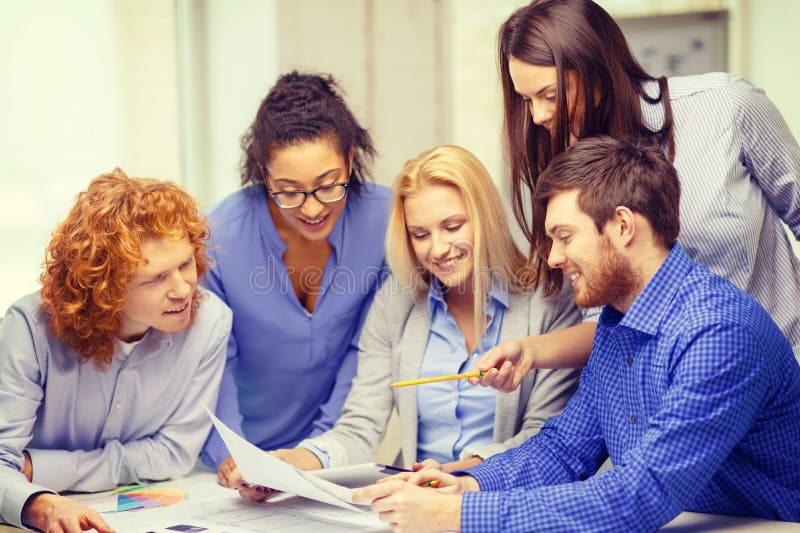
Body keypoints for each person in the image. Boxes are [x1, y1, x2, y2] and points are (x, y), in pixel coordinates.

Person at [354, 137, 800, 531]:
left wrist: (455, 516)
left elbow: (637, 497)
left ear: (622, 226)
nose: (553, 258)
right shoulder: (616, 321)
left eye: (564, 237)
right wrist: (466, 486)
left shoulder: (720, 332)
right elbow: (564, 448)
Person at [472, 0, 800, 390]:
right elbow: (606, 325)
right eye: (527, 100)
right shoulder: (570, 171)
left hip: (781, 380)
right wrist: (531, 350)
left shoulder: (727, 106)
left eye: (551, 95)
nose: (538, 116)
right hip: (670, 393)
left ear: (596, 68)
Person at [230, 145, 581, 501]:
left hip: (501, 502)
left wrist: (451, 476)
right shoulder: (395, 303)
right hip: (413, 503)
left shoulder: (548, 300)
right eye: (420, 235)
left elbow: (545, 437)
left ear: (485, 217)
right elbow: (360, 425)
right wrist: (288, 464)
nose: (438, 249)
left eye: (452, 227)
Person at [0, 169, 232, 532]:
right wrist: (38, 505)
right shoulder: (29, 328)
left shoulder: (211, 322)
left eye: (185, 264)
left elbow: (175, 453)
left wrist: (42, 467)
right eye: (156, 278)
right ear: (104, 286)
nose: (184, 290)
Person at [201, 72, 390, 487]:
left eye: (328, 185)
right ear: (264, 174)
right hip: (232, 459)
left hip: (327, 459)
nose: (312, 209)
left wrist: (317, 453)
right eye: (288, 191)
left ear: (350, 160)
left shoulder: (386, 221)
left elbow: (365, 352)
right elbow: (213, 364)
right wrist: (237, 456)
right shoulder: (219, 237)